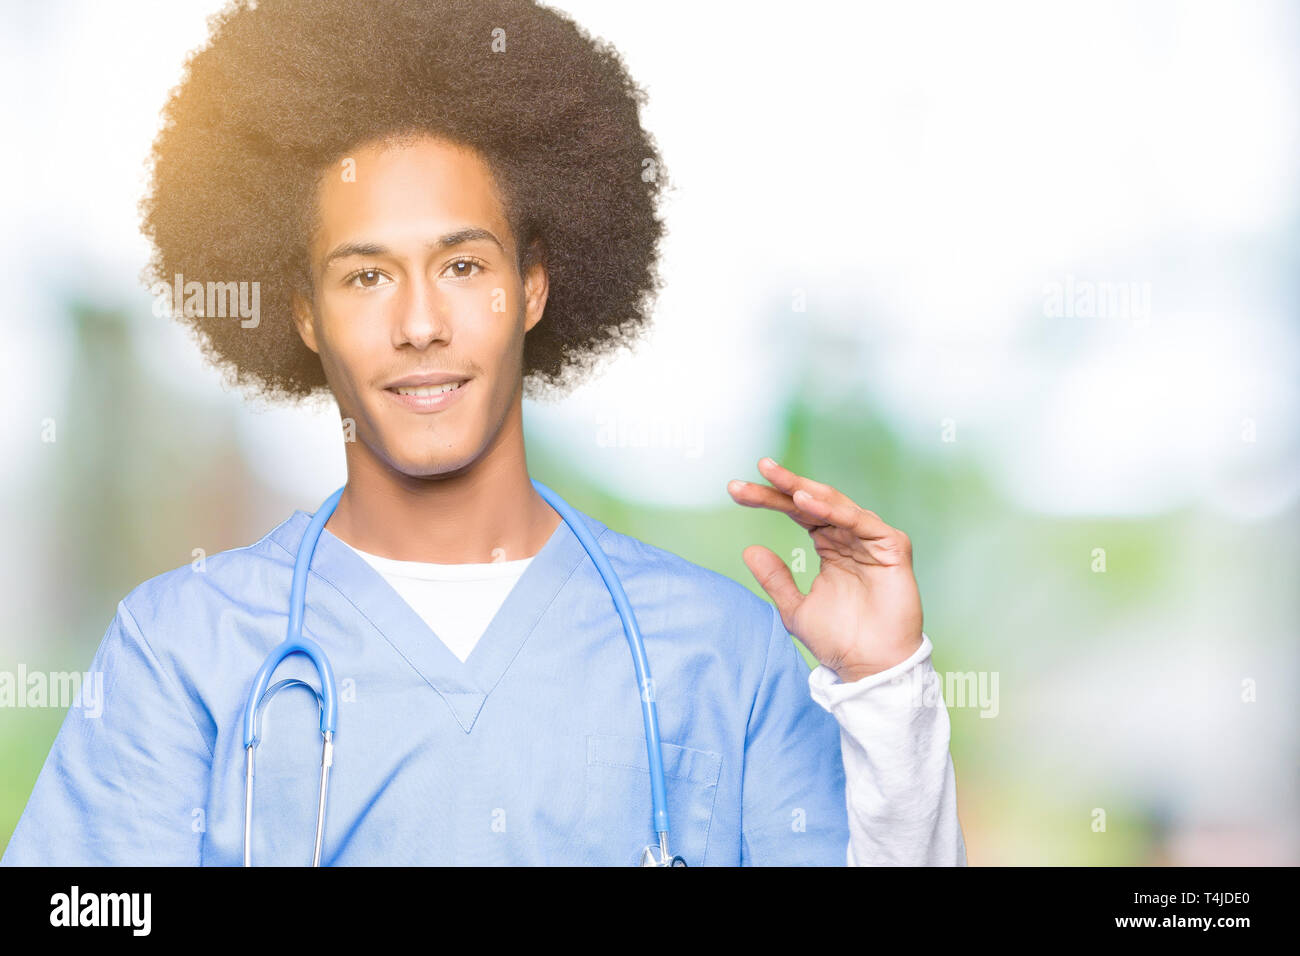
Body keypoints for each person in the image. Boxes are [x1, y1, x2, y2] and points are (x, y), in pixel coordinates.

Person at [1, 0, 966, 866]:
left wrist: (886, 688)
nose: (420, 322)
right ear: (304, 314)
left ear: (534, 285)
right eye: (366, 276)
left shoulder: (718, 652)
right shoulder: (183, 652)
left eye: (462, 266)